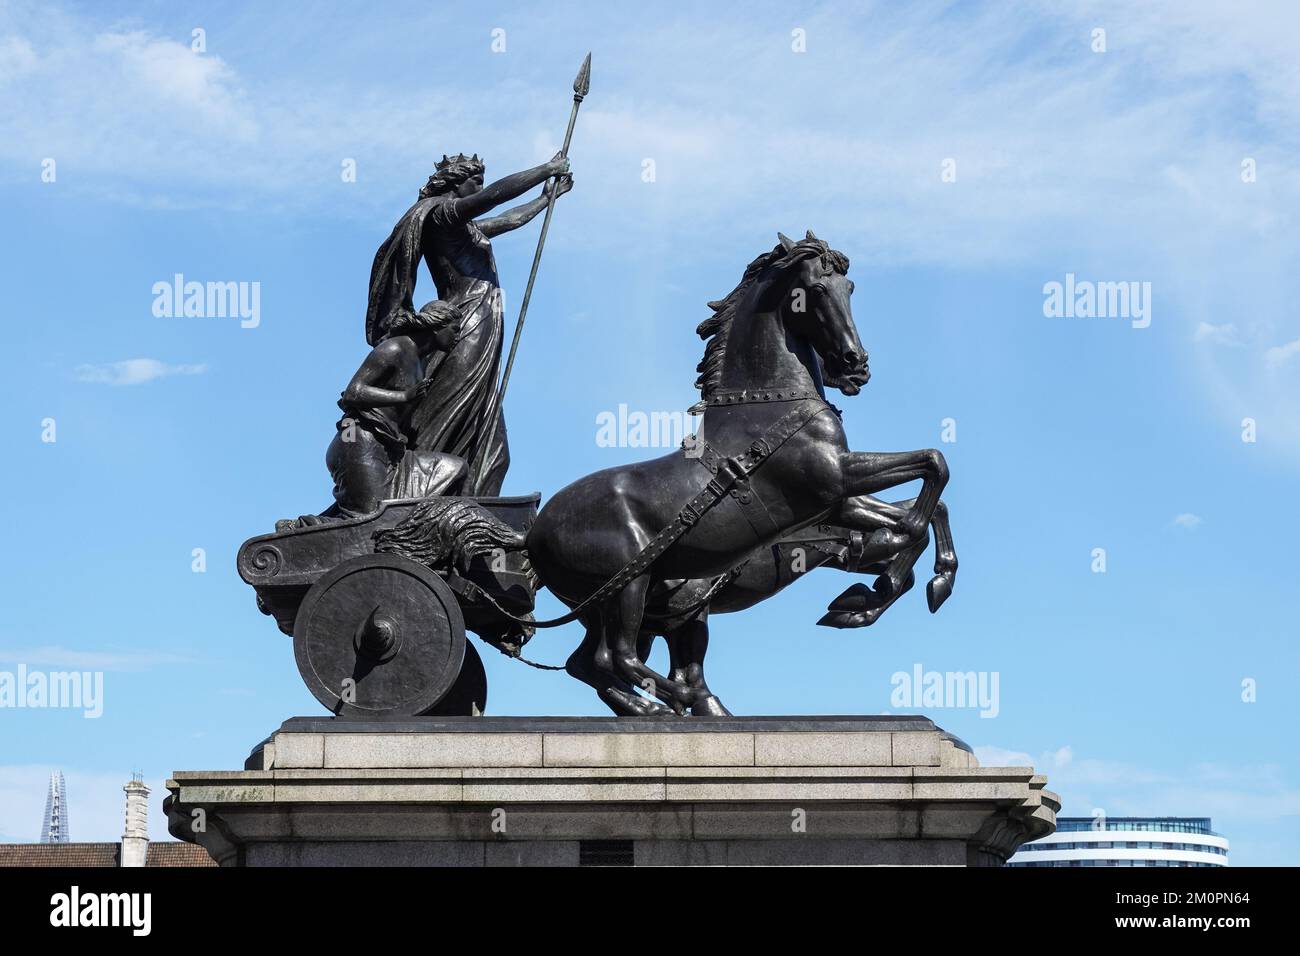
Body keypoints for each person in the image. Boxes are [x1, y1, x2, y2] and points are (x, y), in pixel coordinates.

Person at [365, 151, 573, 496]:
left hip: (483, 324)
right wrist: (545, 170)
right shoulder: (441, 215)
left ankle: (471, 505)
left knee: (492, 448)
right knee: (450, 415)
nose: (481, 186)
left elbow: (508, 220)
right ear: (453, 185)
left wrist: (546, 198)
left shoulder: (463, 227)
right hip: (465, 325)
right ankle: (425, 497)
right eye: (474, 181)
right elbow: (493, 198)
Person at [326, 300, 464, 518]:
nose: (458, 337)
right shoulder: (395, 348)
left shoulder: (422, 363)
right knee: (371, 518)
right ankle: (302, 528)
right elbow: (353, 393)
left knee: (455, 468)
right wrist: (404, 396)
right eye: (455, 330)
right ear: (438, 325)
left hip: (391, 450)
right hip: (359, 442)